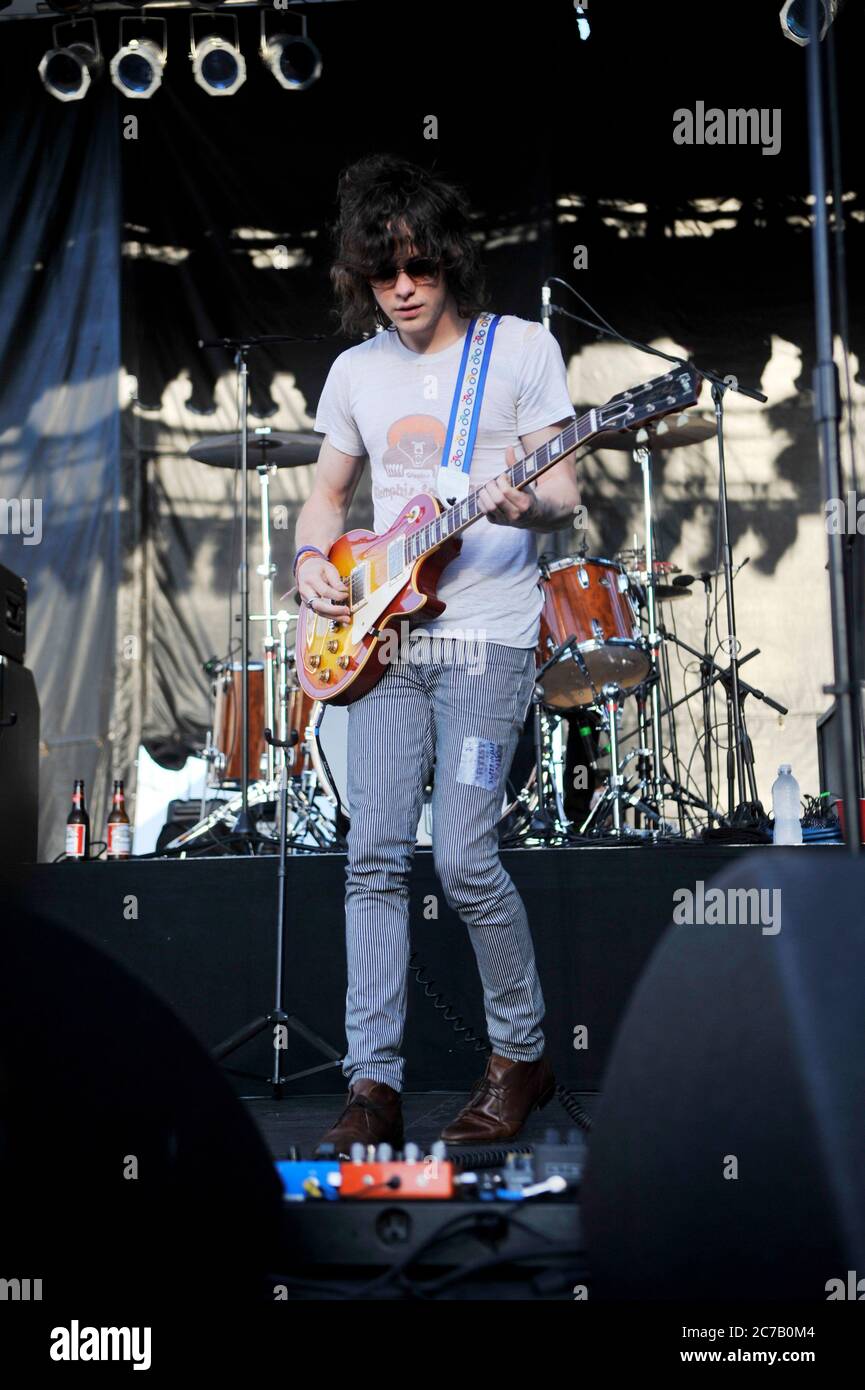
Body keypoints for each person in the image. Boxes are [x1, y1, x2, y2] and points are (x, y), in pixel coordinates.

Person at [293, 154, 579, 1154]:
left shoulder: (520, 349)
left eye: (417, 266)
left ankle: (519, 1056)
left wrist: (524, 498)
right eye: (383, 273)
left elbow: (565, 493)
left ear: (449, 260)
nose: (403, 287)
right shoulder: (355, 372)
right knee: (371, 855)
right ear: (361, 278)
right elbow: (328, 497)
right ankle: (370, 1082)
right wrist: (306, 566)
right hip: (381, 640)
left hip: (487, 641)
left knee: (461, 855)